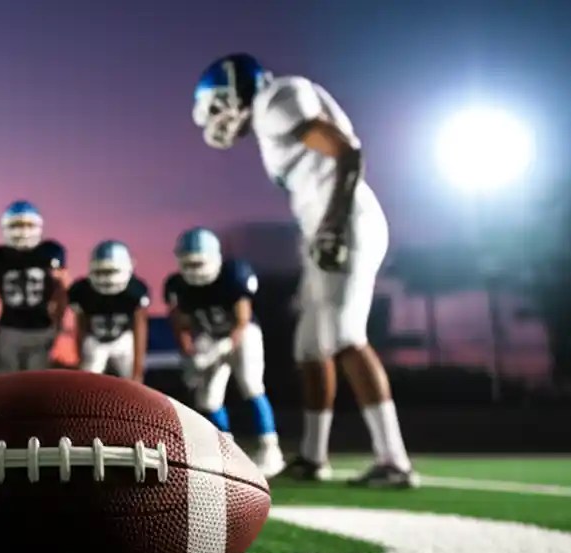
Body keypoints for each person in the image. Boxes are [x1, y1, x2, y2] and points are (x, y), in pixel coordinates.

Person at [191, 53, 416, 488]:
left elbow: (347, 152)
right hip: (327, 225)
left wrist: (332, 224)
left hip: (343, 219)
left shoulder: (276, 99)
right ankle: (314, 456)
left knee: (346, 336)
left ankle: (394, 459)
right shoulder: (273, 108)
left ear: (238, 89)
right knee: (310, 347)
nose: (219, 118)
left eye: (220, 104)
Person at [165, 227, 286, 477]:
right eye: (189, 264)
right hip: (210, 336)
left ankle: (270, 449)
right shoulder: (179, 286)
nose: (195, 270)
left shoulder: (233, 274)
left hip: (243, 335)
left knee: (251, 386)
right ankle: (224, 451)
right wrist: (190, 353)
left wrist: (221, 348)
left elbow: (242, 318)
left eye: (200, 263)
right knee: (208, 398)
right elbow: (182, 323)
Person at [0, 201, 67, 372]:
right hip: (9, 330)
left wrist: (58, 321)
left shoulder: (49, 254)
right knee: (7, 383)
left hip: (41, 330)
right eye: (17, 225)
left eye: (27, 225)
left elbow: (61, 292)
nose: (22, 230)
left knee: (37, 384)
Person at [69, 240, 150, 381]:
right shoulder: (82, 291)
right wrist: (79, 355)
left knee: (134, 384)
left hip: (123, 340)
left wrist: (138, 367)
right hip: (95, 340)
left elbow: (140, 327)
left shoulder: (134, 292)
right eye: (101, 271)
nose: (107, 278)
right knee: (87, 381)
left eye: (112, 271)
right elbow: (80, 325)